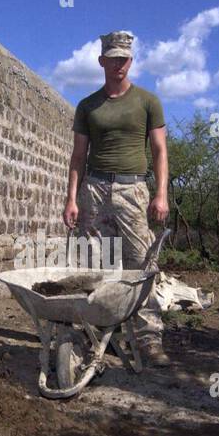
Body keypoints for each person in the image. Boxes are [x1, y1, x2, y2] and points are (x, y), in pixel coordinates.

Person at [63, 31, 171, 365]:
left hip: (132, 189)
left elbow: (159, 150)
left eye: (123, 59)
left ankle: (149, 337)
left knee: (141, 261)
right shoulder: (88, 106)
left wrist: (161, 194)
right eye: (112, 59)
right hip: (94, 190)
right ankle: (96, 333)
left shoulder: (147, 101)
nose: (118, 65)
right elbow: (78, 156)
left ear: (131, 61)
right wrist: (71, 198)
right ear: (101, 61)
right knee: (96, 263)